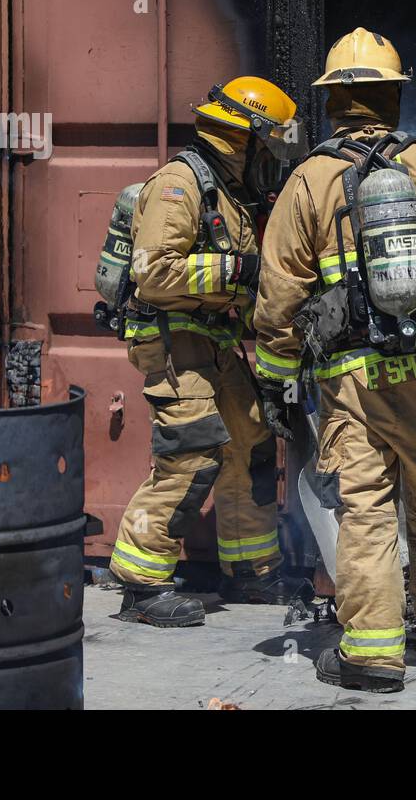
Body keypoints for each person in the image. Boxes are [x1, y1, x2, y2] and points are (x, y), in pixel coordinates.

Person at [252, 28, 416, 693]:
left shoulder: (310, 180)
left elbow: (279, 296)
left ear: (333, 102)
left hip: (353, 376)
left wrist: (275, 379)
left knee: (365, 510)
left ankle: (375, 655)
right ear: (393, 97)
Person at [109, 76, 306, 626]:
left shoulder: (228, 191)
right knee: (191, 454)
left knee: (251, 444)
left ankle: (250, 572)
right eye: (272, 140)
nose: (275, 153)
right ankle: (141, 586)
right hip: (173, 344)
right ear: (243, 136)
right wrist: (236, 269)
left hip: (212, 342)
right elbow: (153, 273)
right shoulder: (180, 184)